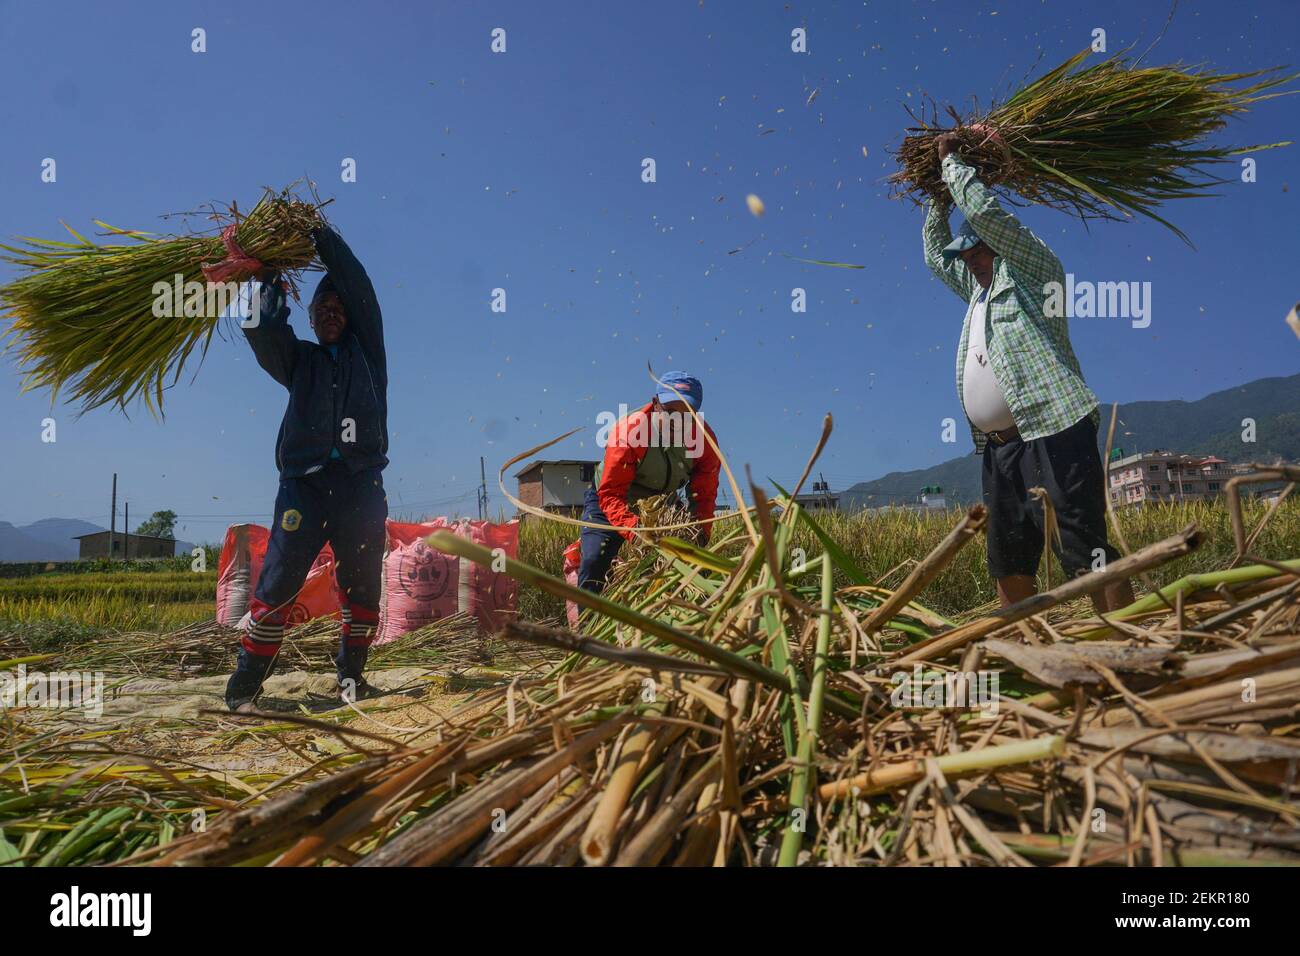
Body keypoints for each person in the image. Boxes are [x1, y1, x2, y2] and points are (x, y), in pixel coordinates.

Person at [924, 131, 1134, 613]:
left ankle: (1129, 648)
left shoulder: (1037, 275)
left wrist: (954, 165)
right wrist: (936, 198)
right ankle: (1023, 659)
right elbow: (937, 257)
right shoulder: (978, 294)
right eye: (968, 255)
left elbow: (987, 217)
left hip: (1053, 431)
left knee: (1086, 551)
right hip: (1001, 449)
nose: (972, 261)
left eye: (980, 251)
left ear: (999, 247)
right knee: (1009, 560)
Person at [224, 225, 389, 711]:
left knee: (362, 587)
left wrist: (320, 237)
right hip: (304, 487)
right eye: (321, 310)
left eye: (338, 308)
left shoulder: (368, 354)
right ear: (311, 319)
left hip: (361, 485)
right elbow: (259, 327)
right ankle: (244, 690)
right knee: (277, 582)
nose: (332, 314)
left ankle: (351, 680)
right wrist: (269, 272)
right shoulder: (299, 362)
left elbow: (358, 286)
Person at [578, 372, 721, 593]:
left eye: (687, 415)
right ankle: (587, 623)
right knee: (595, 559)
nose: (677, 422)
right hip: (612, 500)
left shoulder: (704, 441)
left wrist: (699, 535)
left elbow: (704, 495)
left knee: (695, 567)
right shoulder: (628, 433)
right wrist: (637, 532)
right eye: (671, 412)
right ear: (656, 404)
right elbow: (611, 494)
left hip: (664, 502)